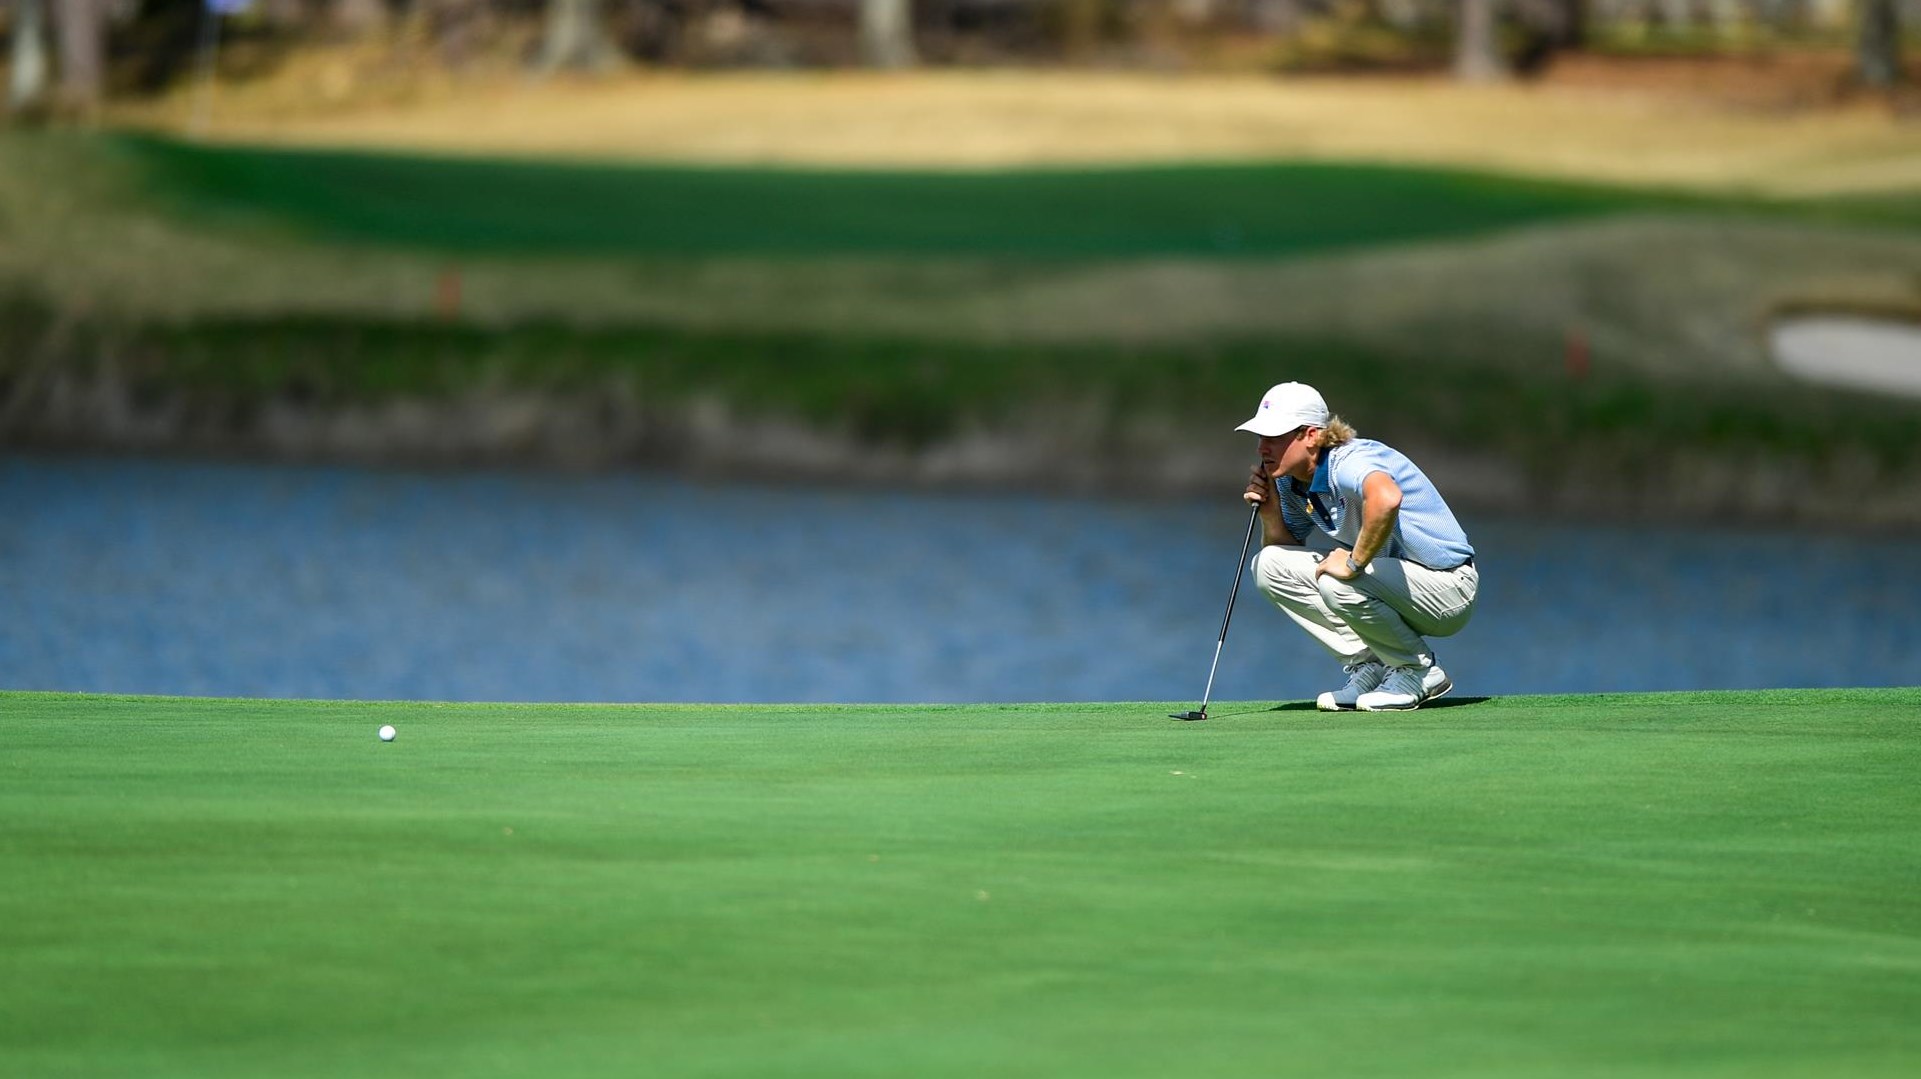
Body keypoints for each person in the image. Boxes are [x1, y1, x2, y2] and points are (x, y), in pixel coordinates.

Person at [1235, 382, 1478, 711]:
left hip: (1448, 588)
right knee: (1268, 565)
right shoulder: (1290, 481)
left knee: (1338, 580)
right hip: (1396, 588)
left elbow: (1387, 498)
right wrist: (1270, 511)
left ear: (1311, 436)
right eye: (1260, 438)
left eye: (1275, 438)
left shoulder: (1349, 459)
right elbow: (1285, 549)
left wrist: (1353, 563)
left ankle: (1418, 670)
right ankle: (1373, 667)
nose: (1263, 448)